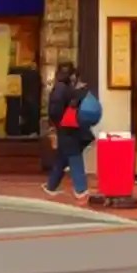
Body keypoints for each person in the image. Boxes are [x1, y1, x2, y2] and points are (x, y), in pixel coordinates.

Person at [43, 63, 92, 201]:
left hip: (65, 129)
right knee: (74, 156)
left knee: (62, 158)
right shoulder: (64, 89)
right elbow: (59, 110)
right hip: (68, 129)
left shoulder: (60, 88)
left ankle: (51, 186)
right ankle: (81, 190)